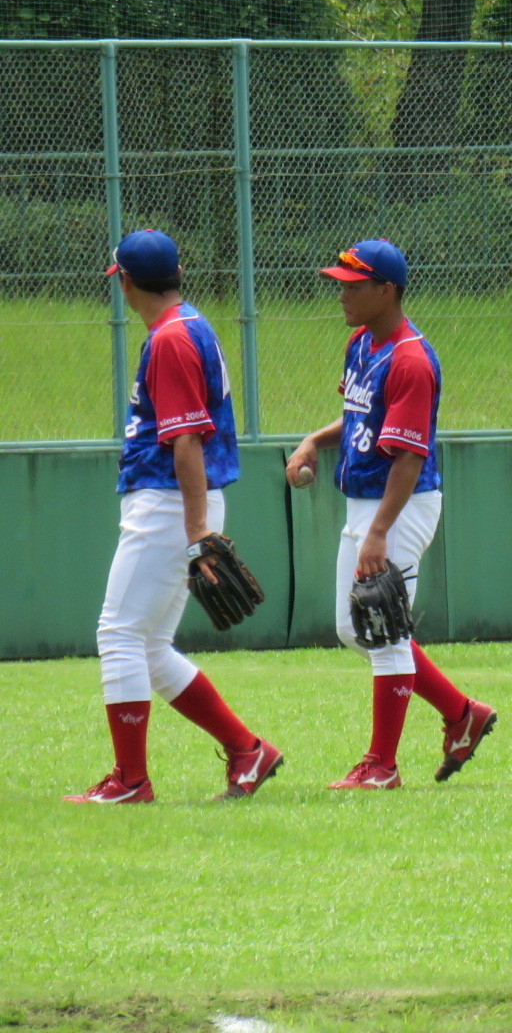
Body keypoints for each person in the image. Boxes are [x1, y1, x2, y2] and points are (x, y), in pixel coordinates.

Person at [70, 229, 282, 803]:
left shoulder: (170, 338)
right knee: (149, 647)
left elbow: (186, 441)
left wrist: (197, 534)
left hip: (170, 503)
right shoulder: (189, 325)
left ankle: (131, 781)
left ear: (128, 283)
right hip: (178, 500)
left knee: (117, 634)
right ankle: (247, 750)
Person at [286, 239, 497, 791]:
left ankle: (381, 765)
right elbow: (360, 420)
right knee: (352, 627)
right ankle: (460, 713)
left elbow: (409, 454)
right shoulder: (361, 344)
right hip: (366, 502)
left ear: (388, 291)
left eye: (353, 287)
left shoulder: (411, 360)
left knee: (382, 633)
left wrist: (379, 532)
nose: (341, 295)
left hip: (400, 504)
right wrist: (313, 440)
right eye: (340, 284)